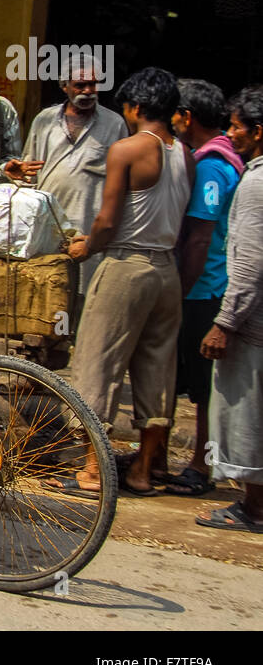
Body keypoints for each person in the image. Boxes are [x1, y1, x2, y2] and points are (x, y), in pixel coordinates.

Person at [60, 68, 194, 497]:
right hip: (166, 270)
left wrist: (87, 248)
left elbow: (107, 220)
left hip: (127, 266)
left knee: (98, 361)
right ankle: (142, 470)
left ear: (135, 107)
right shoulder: (185, 153)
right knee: (157, 370)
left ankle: (92, 470)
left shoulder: (127, 149)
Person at [155, 79, 242, 497]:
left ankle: (200, 466)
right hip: (205, 286)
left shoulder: (209, 166)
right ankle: (161, 458)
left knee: (201, 387)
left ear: (186, 117)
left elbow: (201, 237)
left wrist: (182, 287)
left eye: (174, 113)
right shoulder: (222, 159)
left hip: (202, 289)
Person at [3, 51, 127, 303]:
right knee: (47, 295)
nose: (88, 91)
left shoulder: (115, 125)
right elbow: (29, 176)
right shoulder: (44, 121)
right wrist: (14, 173)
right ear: (64, 86)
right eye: (80, 85)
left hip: (89, 234)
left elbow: (123, 186)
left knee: (85, 299)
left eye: (93, 84)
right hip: (49, 230)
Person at [196, 86, 263, 533]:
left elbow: (250, 261)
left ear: (258, 132)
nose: (231, 133)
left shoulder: (256, 183)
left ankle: (253, 507)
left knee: (246, 414)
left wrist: (225, 322)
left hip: (251, 324)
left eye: (237, 126)